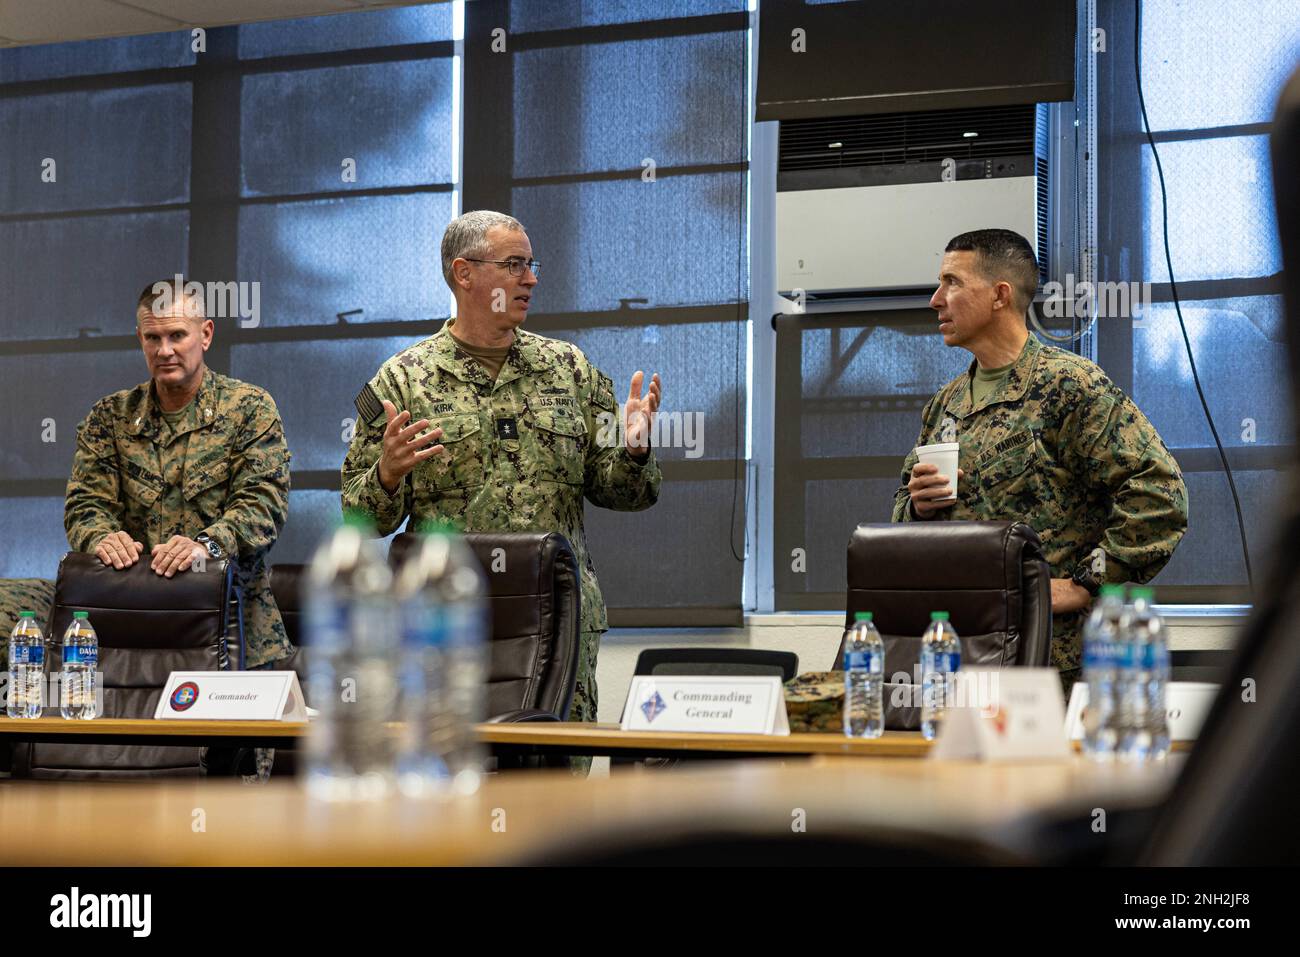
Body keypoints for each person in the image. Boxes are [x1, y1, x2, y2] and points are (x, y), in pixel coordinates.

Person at [342, 210, 662, 739]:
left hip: (558, 620)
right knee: (446, 783)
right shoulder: (402, 380)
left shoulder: (570, 370)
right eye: (514, 265)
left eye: (531, 265)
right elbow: (359, 518)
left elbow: (628, 492)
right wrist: (387, 475)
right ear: (464, 274)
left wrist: (633, 450)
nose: (531, 278)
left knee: (556, 788)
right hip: (448, 623)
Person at [893, 229, 1188, 695]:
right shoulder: (944, 405)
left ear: (999, 295)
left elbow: (1159, 494)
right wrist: (917, 508)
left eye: (952, 282)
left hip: (1055, 663)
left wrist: (1086, 584)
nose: (935, 300)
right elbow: (903, 520)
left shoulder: (1069, 386)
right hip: (964, 655)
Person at [64, 279, 293, 759]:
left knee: (240, 806)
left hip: (236, 632)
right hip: (132, 638)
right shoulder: (110, 417)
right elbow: (85, 504)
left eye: (177, 336)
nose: (164, 349)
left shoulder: (250, 409)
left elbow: (263, 505)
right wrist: (100, 536)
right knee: (131, 783)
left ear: (205, 335)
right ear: (140, 339)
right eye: (153, 338)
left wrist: (206, 546)